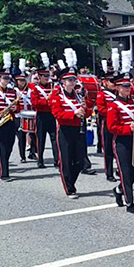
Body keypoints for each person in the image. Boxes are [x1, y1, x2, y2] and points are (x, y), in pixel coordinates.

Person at [49, 66, 91, 199]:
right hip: (65, 130)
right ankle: (69, 188)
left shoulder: (78, 96)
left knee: (79, 160)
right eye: (69, 80)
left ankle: (71, 181)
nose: (72, 82)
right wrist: (74, 113)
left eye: (73, 79)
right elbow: (57, 114)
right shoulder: (57, 97)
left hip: (78, 130)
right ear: (63, 82)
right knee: (66, 160)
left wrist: (86, 108)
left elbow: (87, 113)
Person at [106, 73, 134, 214]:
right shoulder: (113, 106)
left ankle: (119, 189)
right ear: (118, 88)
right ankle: (130, 203)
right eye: (125, 86)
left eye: (129, 85)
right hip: (121, 141)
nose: (128, 88)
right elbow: (112, 127)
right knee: (125, 172)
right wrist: (128, 128)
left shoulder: (133, 103)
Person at [30, 66, 59, 168]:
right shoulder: (35, 88)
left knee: (54, 138)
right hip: (41, 115)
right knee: (40, 139)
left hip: (51, 115)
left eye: (48, 76)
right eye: (44, 76)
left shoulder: (53, 87)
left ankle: (57, 160)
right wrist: (46, 100)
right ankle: (40, 160)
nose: (47, 78)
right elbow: (35, 103)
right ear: (39, 76)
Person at [96, 72, 117, 181]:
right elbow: (101, 109)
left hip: (119, 123)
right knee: (108, 149)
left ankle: (120, 169)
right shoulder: (102, 94)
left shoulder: (119, 92)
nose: (113, 84)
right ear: (105, 82)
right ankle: (109, 173)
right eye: (111, 81)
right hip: (107, 122)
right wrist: (114, 113)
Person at [14, 71, 37, 164]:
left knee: (33, 135)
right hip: (19, 115)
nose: (22, 82)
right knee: (21, 136)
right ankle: (22, 156)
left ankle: (32, 152)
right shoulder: (14, 90)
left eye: (23, 80)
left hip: (30, 114)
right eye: (20, 80)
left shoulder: (30, 89)